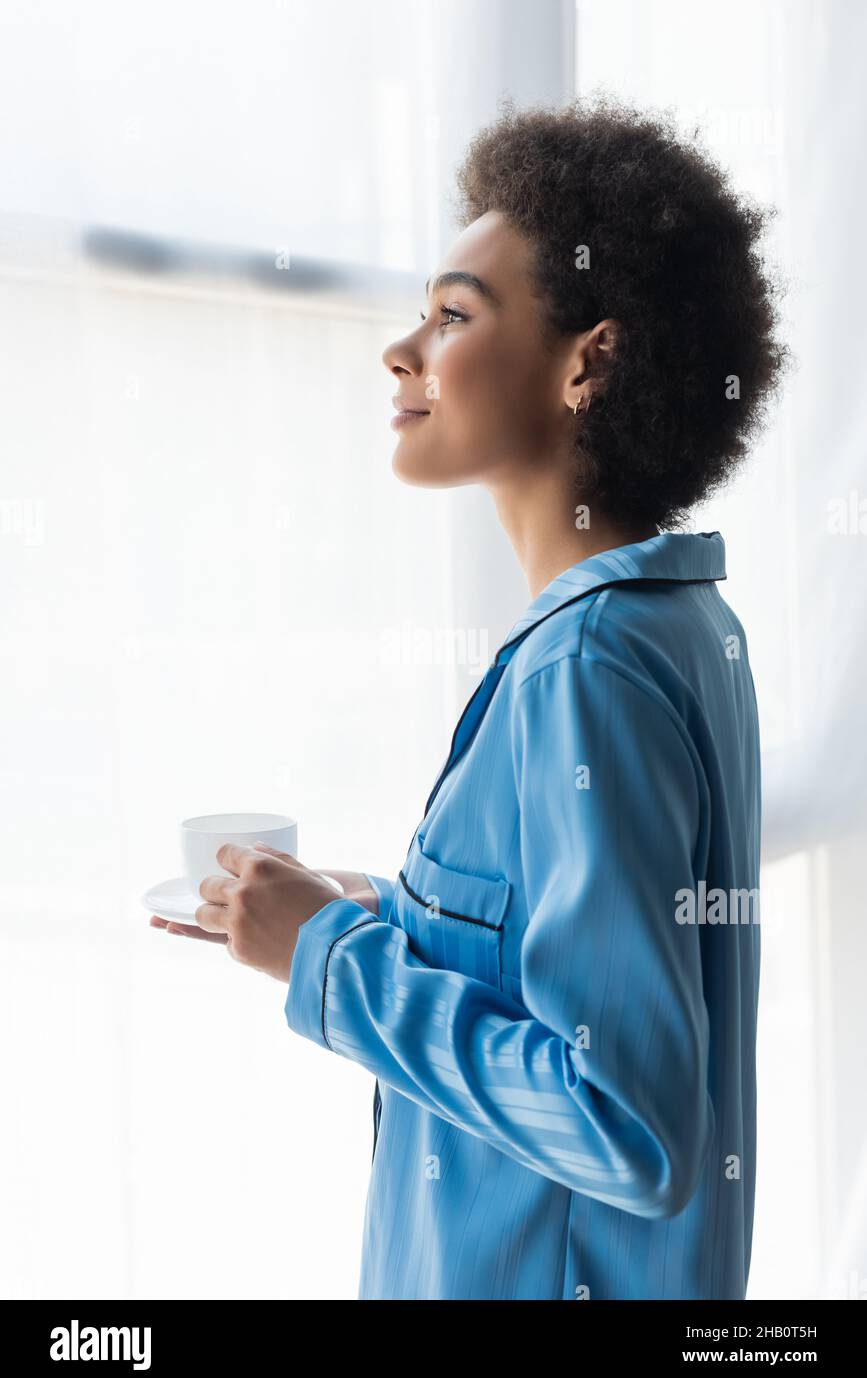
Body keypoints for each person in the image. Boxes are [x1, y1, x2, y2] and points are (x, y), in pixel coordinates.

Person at [150, 95, 787, 1299]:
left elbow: (631, 1125)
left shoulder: (588, 668)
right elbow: (585, 969)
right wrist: (392, 916)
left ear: (586, 362)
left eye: (450, 316)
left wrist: (330, 960)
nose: (402, 351)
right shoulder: (678, 627)